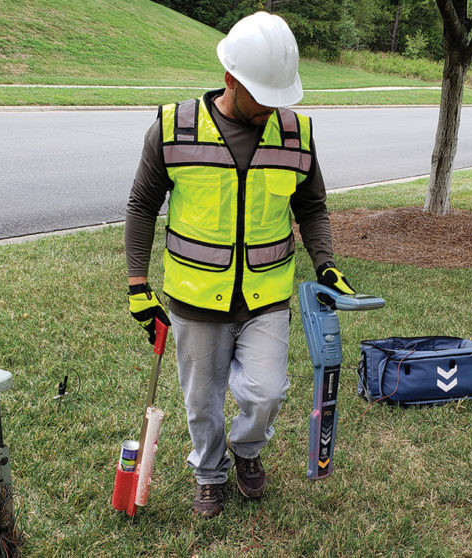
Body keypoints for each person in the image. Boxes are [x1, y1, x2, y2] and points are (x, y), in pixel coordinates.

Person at [124, 11, 355, 518]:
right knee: (202, 402)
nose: (272, 108)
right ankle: (209, 473)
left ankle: (247, 449)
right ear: (230, 78)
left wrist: (326, 264)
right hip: (195, 298)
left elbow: (312, 206)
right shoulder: (174, 129)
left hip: (266, 297)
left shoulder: (296, 135)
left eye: (279, 97)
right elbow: (141, 205)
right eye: (262, 96)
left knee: (267, 392)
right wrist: (138, 284)